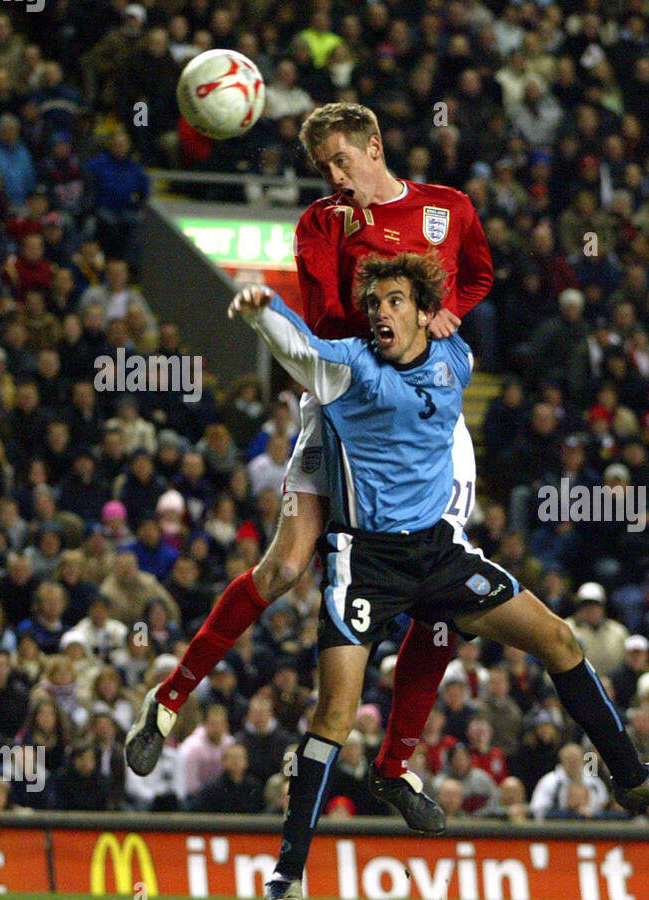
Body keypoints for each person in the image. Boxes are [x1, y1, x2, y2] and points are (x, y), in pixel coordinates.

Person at [224, 253, 649, 900]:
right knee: (335, 715)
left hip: (439, 554)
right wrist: (263, 310)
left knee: (559, 638)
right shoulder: (348, 370)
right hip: (366, 560)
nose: (380, 314)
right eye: (374, 305)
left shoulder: (459, 360)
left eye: (394, 301)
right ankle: (286, 873)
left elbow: (461, 291)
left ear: (426, 312)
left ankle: (629, 777)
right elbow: (298, 345)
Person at [125, 103, 493, 836]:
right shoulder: (323, 224)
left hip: (425, 423)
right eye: (322, 167)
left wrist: (445, 310)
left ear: (375, 145)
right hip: (346, 405)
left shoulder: (448, 209)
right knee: (284, 568)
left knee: (447, 601)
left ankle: (394, 763)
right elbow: (323, 321)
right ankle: (169, 696)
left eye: (340, 160)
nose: (333, 176)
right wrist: (387, 316)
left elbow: (479, 276)